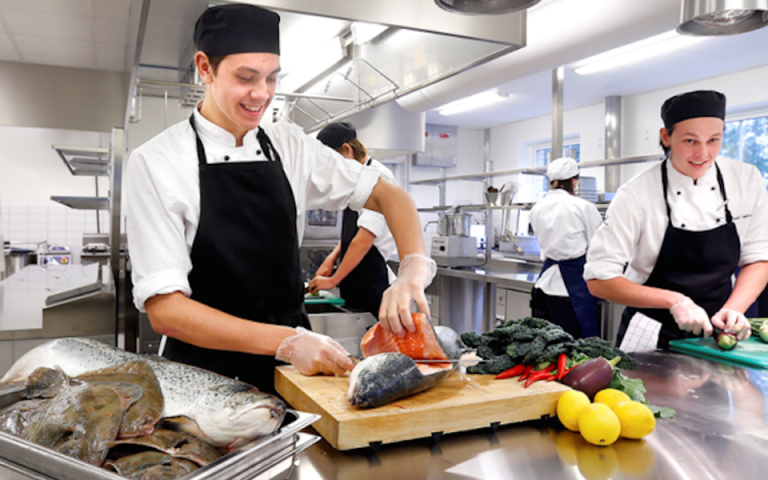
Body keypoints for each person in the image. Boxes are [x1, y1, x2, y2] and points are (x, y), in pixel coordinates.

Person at [124, 4, 436, 393]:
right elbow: (166, 311)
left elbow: (390, 195)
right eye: (246, 77)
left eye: (272, 78)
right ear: (205, 67)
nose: (262, 94)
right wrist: (286, 342)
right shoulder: (157, 161)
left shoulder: (288, 144)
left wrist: (412, 268)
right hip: (204, 373)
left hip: (295, 370)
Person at [585, 90, 768, 349]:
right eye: (690, 141)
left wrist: (734, 309)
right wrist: (676, 301)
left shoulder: (746, 179)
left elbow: (758, 258)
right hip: (649, 333)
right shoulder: (636, 194)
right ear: (666, 137)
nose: (703, 153)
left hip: (718, 332)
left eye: (713, 140)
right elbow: (599, 280)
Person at [308, 122, 398, 318]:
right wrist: (331, 259)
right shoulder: (356, 178)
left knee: (372, 330)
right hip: (356, 273)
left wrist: (333, 280)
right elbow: (354, 231)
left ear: (347, 149)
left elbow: (364, 239)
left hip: (372, 277)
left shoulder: (378, 176)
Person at [529, 157, 603, 339]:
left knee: (547, 345)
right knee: (573, 346)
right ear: (574, 181)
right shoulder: (583, 206)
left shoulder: (537, 208)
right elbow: (598, 243)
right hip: (572, 289)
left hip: (544, 286)